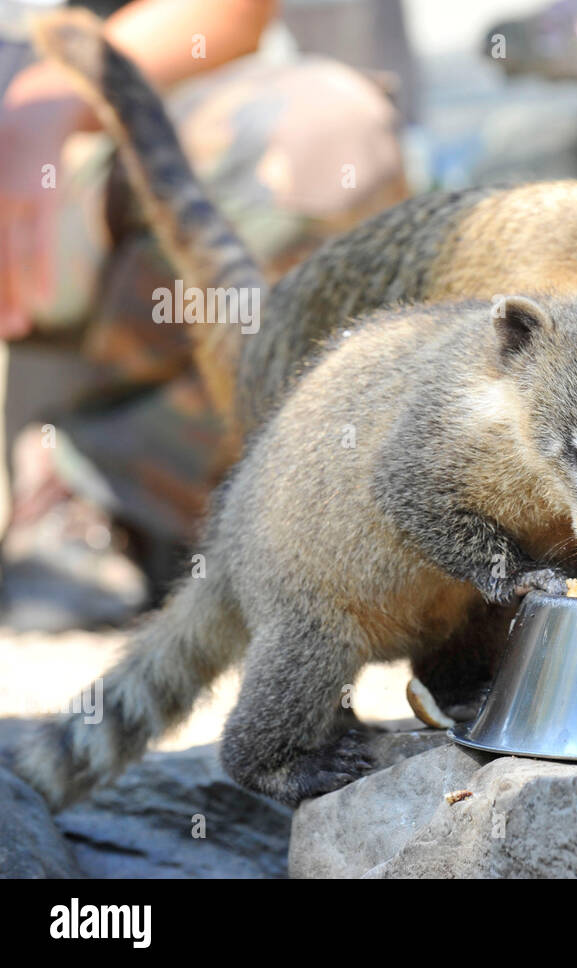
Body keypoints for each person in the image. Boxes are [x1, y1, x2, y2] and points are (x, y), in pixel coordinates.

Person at [0, 0, 408, 629]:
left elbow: (230, 10)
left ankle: (117, 497)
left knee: (321, 133)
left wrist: (50, 98)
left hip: (72, 158)